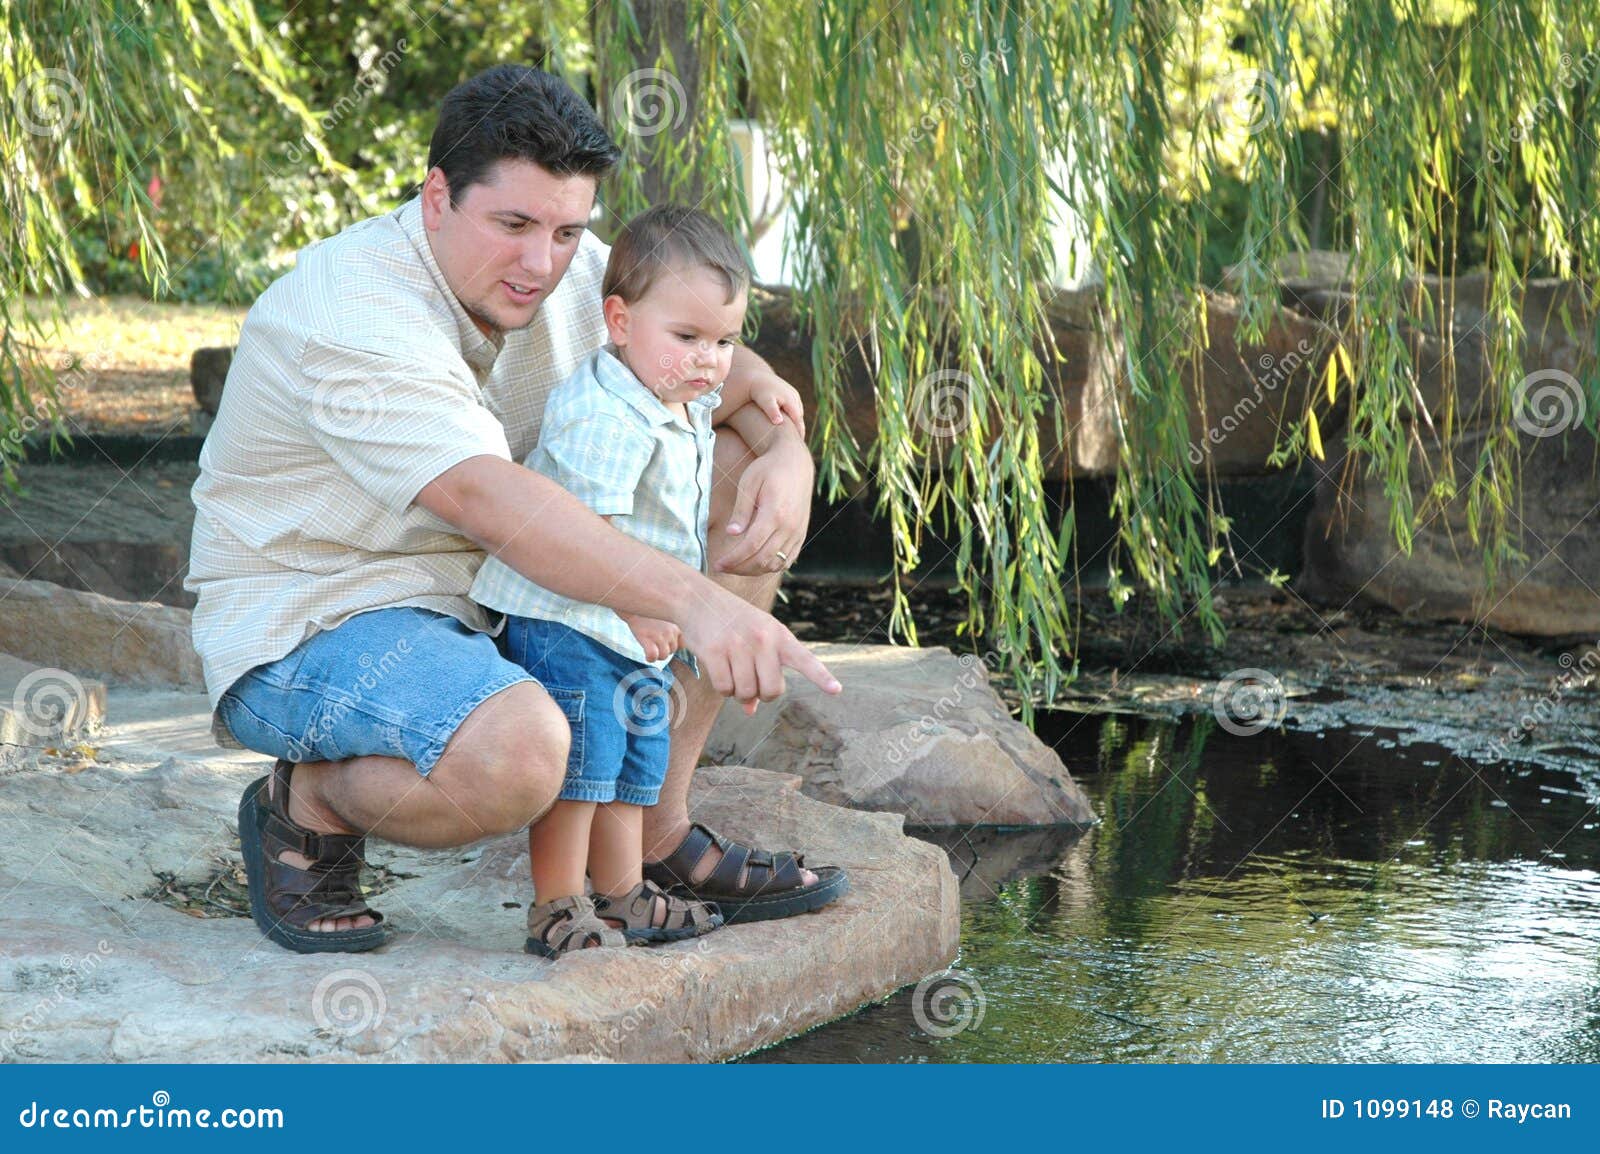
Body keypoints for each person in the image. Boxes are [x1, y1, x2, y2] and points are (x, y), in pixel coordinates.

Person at [186, 64, 845, 956]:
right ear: (437, 198)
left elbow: (709, 360)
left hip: (500, 600)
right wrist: (696, 603)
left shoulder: (569, 273)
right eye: (514, 225)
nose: (543, 262)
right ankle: (309, 803)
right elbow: (489, 501)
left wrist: (783, 450)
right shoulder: (350, 310)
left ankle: (652, 834)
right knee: (525, 750)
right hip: (323, 621)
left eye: (568, 230)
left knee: (730, 472)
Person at [478, 204, 792, 956]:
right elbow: (586, 530)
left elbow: (735, 393)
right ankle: (557, 905)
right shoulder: (604, 414)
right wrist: (639, 606)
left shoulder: (673, 392)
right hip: (573, 620)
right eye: (687, 338)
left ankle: (623, 895)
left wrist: (778, 425)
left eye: (724, 341)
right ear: (619, 321)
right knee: (584, 765)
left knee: (633, 761)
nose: (708, 361)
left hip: (636, 625)